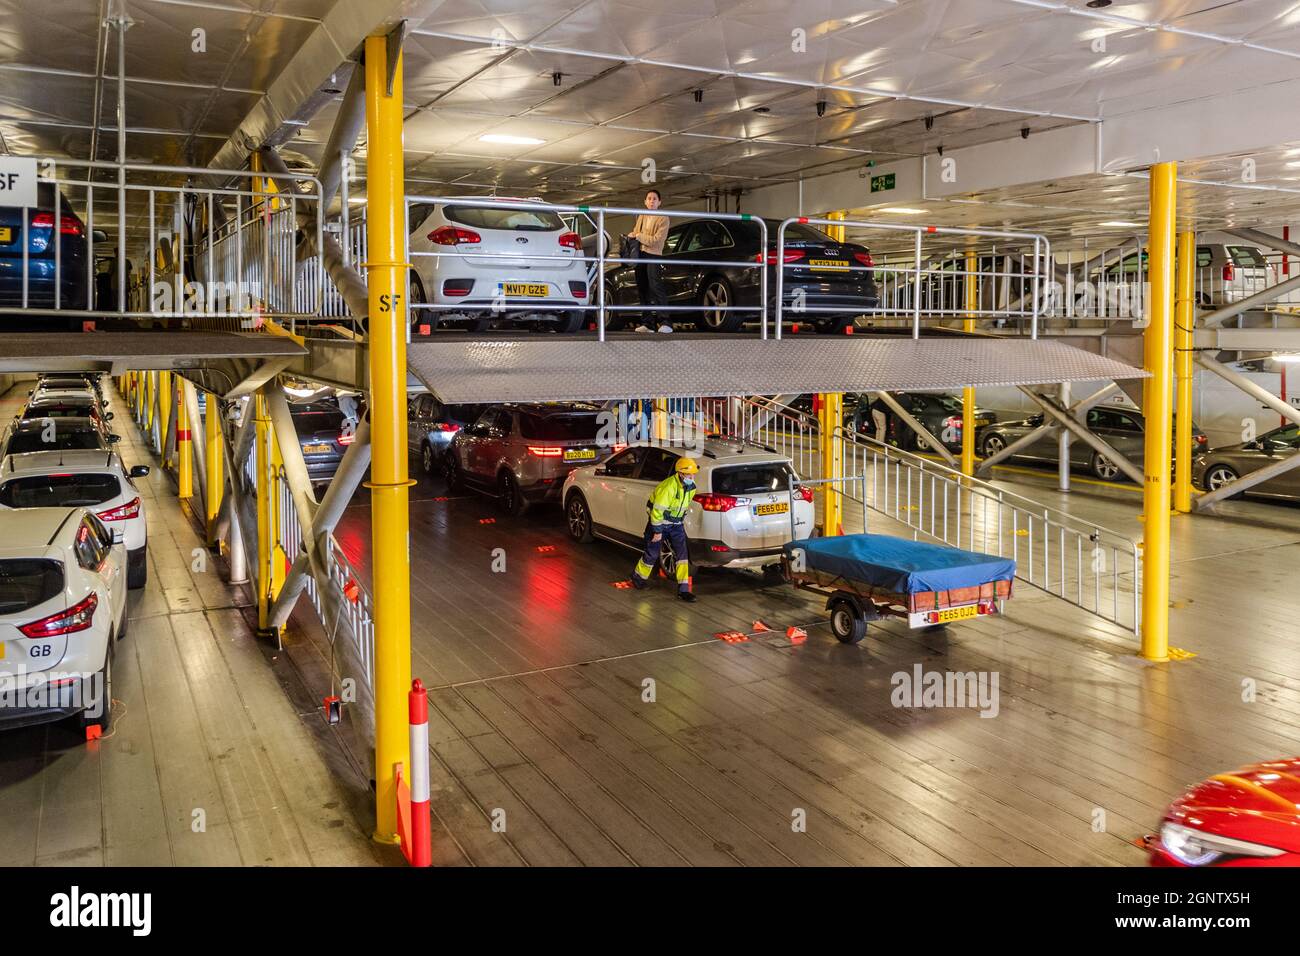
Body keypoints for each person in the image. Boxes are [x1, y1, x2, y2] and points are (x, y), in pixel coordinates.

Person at [631, 457, 698, 601]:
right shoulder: (668, 487)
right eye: (689, 475)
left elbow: (683, 506)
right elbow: (656, 511)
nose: (692, 477)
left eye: (693, 474)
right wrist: (657, 531)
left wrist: (679, 521)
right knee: (652, 553)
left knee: (682, 556)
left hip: (676, 525)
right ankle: (638, 578)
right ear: (680, 473)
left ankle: (683, 590)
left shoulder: (691, 487)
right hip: (660, 524)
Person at [627, 188, 671, 333]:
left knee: (655, 287)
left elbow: (656, 241)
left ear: (659, 202)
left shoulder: (663, 218)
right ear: (645, 202)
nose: (652, 201)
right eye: (649, 198)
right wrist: (636, 235)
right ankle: (648, 323)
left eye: (654, 199)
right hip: (640, 255)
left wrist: (638, 235)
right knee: (642, 288)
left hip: (654, 255)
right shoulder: (642, 215)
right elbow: (635, 232)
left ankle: (665, 322)